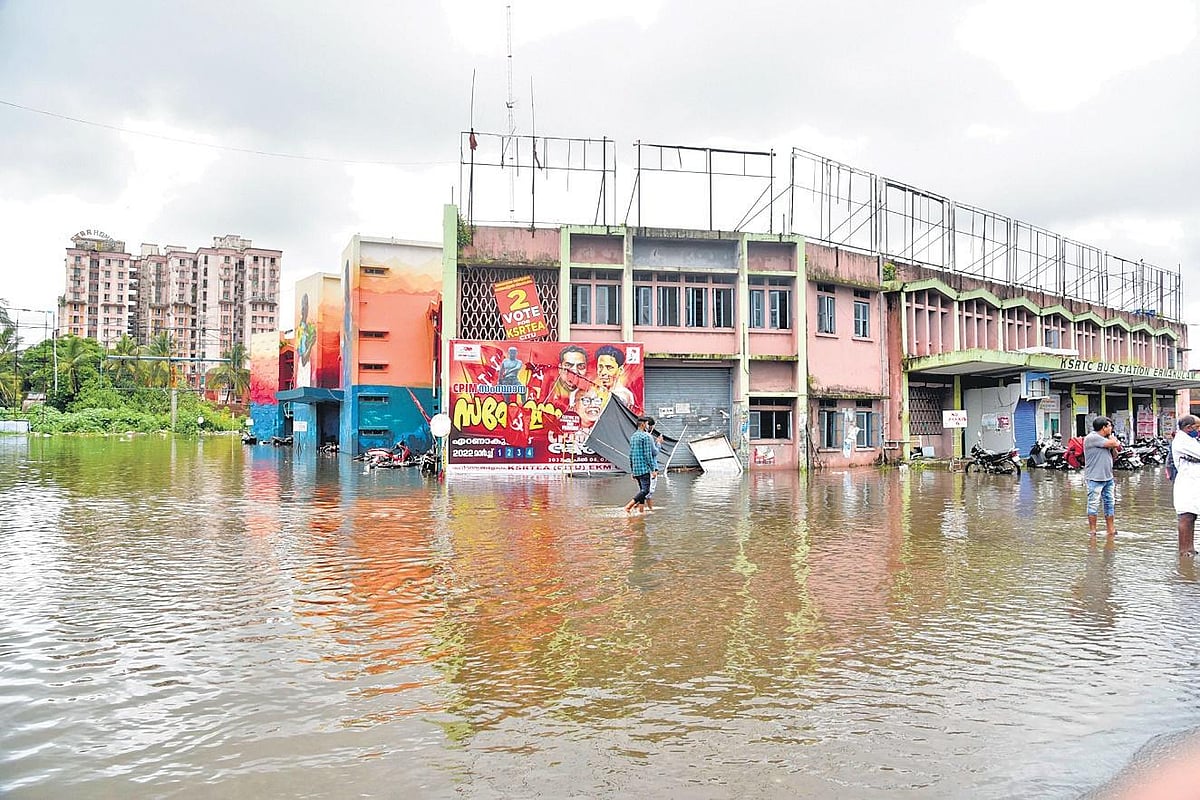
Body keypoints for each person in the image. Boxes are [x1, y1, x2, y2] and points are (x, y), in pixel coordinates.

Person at [1083, 416, 1122, 541]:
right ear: (1104, 427)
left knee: (1110, 503)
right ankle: (1093, 531)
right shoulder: (1092, 438)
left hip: (1108, 477)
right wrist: (1112, 439)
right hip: (1094, 477)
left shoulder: (1105, 439)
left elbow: (1115, 454)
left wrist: (1112, 442)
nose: (1111, 428)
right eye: (1109, 426)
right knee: (1093, 503)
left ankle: (1110, 530)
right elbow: (1116, 443)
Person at [1171, 414, 1200, 556]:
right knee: (1186, 516)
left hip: (1194, 483)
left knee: (1192, 516)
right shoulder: (1182, 441)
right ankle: (1183, 551)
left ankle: (1190, 548)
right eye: (1197, 427)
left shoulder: (1191, 439)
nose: (1198, 430)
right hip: (1187, 484)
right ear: (1189, 428)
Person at [623, 417, 658, 515]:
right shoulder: (645, 437)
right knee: (646, 490)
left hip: (636, 468)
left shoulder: (633, 436)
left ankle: (641, 511)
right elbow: (648, 454)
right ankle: (628, 506)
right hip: (643, 468)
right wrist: (653, 469)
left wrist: (632, 470)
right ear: (643, 425)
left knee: (642, 490)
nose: (648, 426)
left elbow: (631, 454)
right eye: (647, 424)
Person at [546, 345, 589, 411]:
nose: (574, 371)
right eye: (568, 365)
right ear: (560, 368)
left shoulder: (592, 393)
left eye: (581, 366)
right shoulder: (550, 391)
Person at [594, 344, 636, 410]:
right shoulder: (593, 393)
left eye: (609, 367)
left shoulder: (625, 395)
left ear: (620, 370)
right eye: (600, 367)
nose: (603, 372)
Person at [644, 417, 664, 511]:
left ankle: (649, 509)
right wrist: (659, 443)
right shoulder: (648, 437)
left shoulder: (638, 436)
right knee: (648, 491)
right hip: (650, 468)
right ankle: (631, 506)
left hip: (643, 468)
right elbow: (654, 453)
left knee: (646, 491)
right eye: (652, 426)